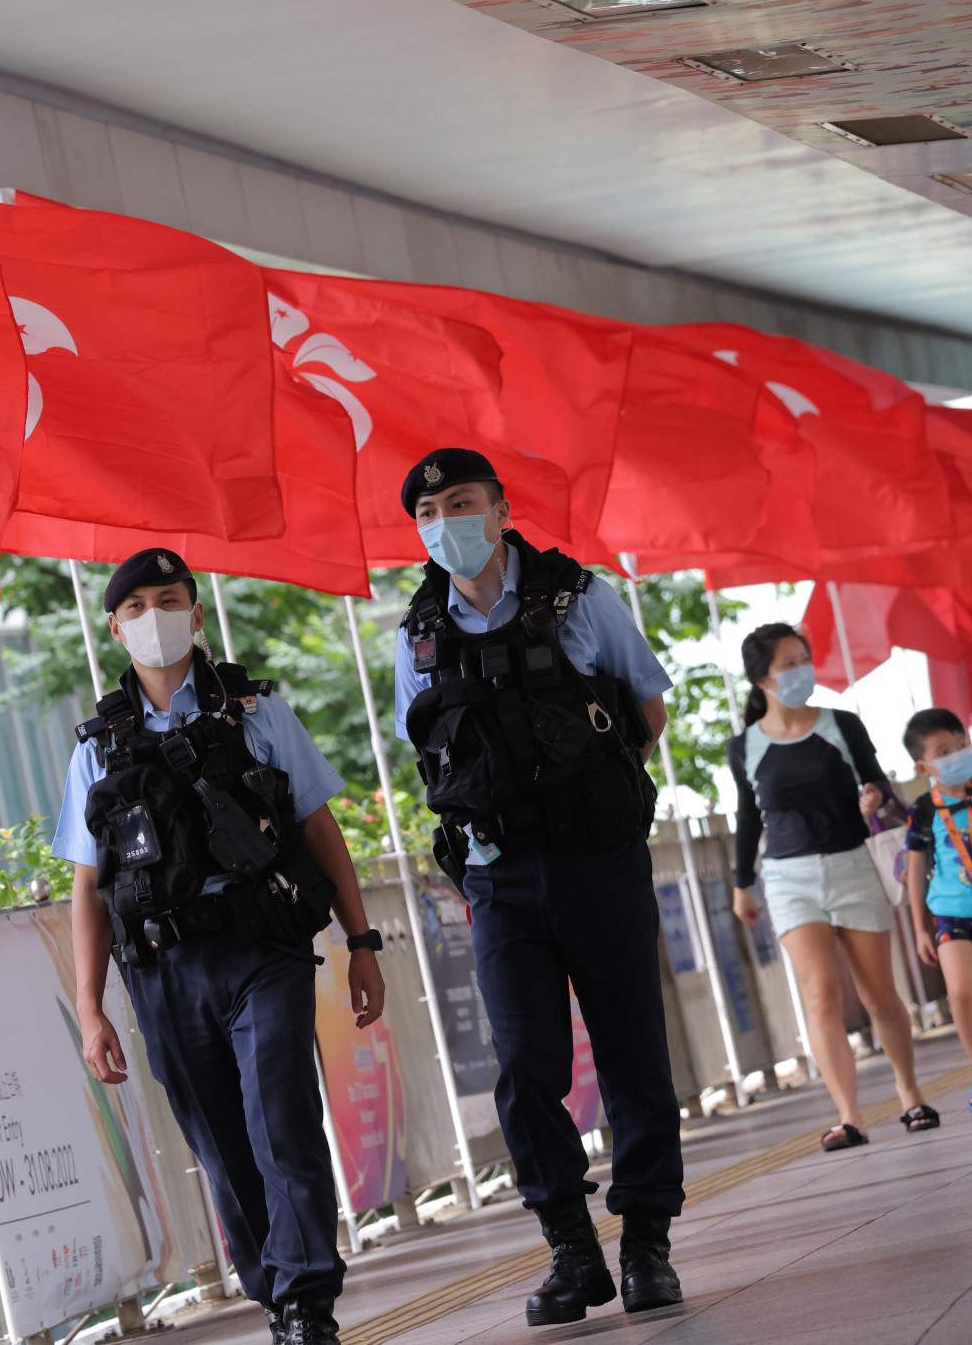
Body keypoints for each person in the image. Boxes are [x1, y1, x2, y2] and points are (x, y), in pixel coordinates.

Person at [55, 548, 384, 1345]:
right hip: (162, 972)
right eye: (135, 608)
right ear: (113, 627)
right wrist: (90, 1007)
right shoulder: (97, 745)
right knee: (223, 1145)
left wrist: (361, 941)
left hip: (261, 949)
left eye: (169, 601)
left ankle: (307, 1299)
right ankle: (275, 1295)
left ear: (196, 615)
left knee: (280, 1118)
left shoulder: (257, 712)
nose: (154, 619)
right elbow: (87, 886)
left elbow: (317, 827)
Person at [392, 449, 684, 1326]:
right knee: (524, 1068)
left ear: (501, 506)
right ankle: (569, 1247)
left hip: (597, 860)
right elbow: (429, 753)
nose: (448, 520)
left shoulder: (581, 598)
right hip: (496, 876)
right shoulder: (415, 634)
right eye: (430, 509)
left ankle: (644, 1245)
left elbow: (647, 706)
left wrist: (590, 794)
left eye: (463, 501)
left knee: (633, 1052)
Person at [727, 622, 936, 1149]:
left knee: (880, 994)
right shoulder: (744, 746)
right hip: (788, 878)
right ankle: (850, 1115)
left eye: (804, 658)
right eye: (789, 664)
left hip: (852, 865)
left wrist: (873, 799)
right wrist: (741, 883)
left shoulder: (841, 724)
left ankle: (909, 1093)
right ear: (762, 680)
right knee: (820, 996)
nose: (802, 671)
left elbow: (880, 789)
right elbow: (748, 816)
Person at [900, 708, 972, 1115]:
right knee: (960, 993)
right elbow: (915, 869)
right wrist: (920, 928)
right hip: (951, 916)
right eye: (943, 751)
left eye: (960, 745)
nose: (956, 754)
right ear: (923, 765)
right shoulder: (922, 810)